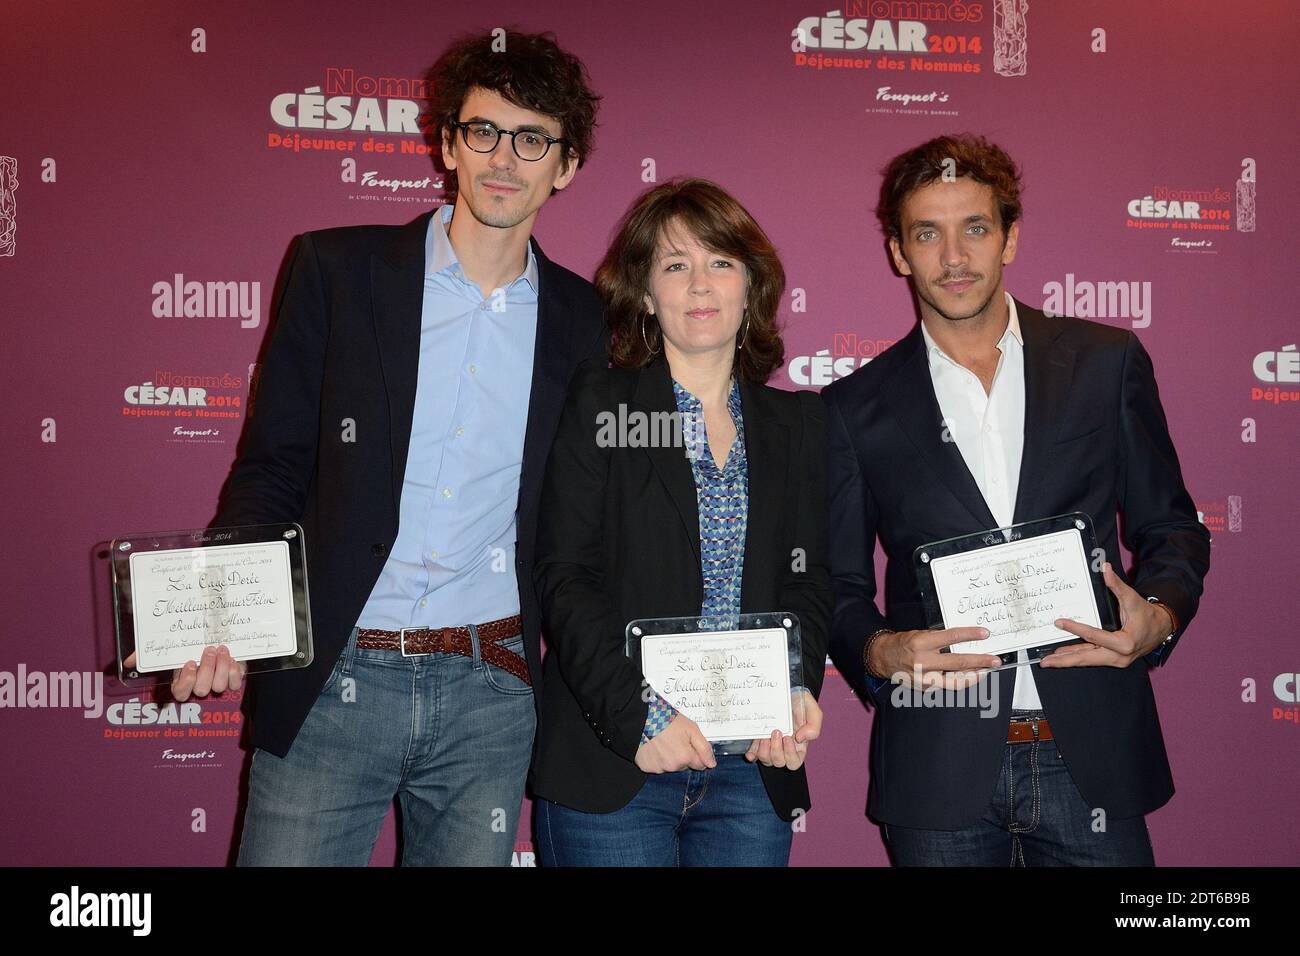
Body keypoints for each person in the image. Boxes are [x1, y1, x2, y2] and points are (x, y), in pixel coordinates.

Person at [152, 30, 605, 866]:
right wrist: (219, 614)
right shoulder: (337, 270)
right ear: (447, 144)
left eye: (533, 139)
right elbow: (275, 464)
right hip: (334, 674)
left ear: (565, 165)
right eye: (483, 132)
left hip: (491, 690)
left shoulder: (589, 323)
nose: (505, 159)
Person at [823, 134, 1210, 866]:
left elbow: (1173, 527)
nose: (955, 257)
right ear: (899, 253)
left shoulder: (1104, 362)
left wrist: (1156, 618)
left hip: (1090, 752)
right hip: (938, 763)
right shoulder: (855, 407)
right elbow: (835, 586)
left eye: (975, 227)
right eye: (927, 234)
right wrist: (878, 649)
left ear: (1010, 237)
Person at [530, 178, 830, 867]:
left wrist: (793, 684)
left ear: (751, 286)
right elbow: (566, 577)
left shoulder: (798, 425)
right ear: (644, 292)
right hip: (618, 762)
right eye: (675, 265)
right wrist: (642, 718)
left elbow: (810, 581)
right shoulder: (602, 405)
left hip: (752, 770)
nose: (700, 285)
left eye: (721, 262)